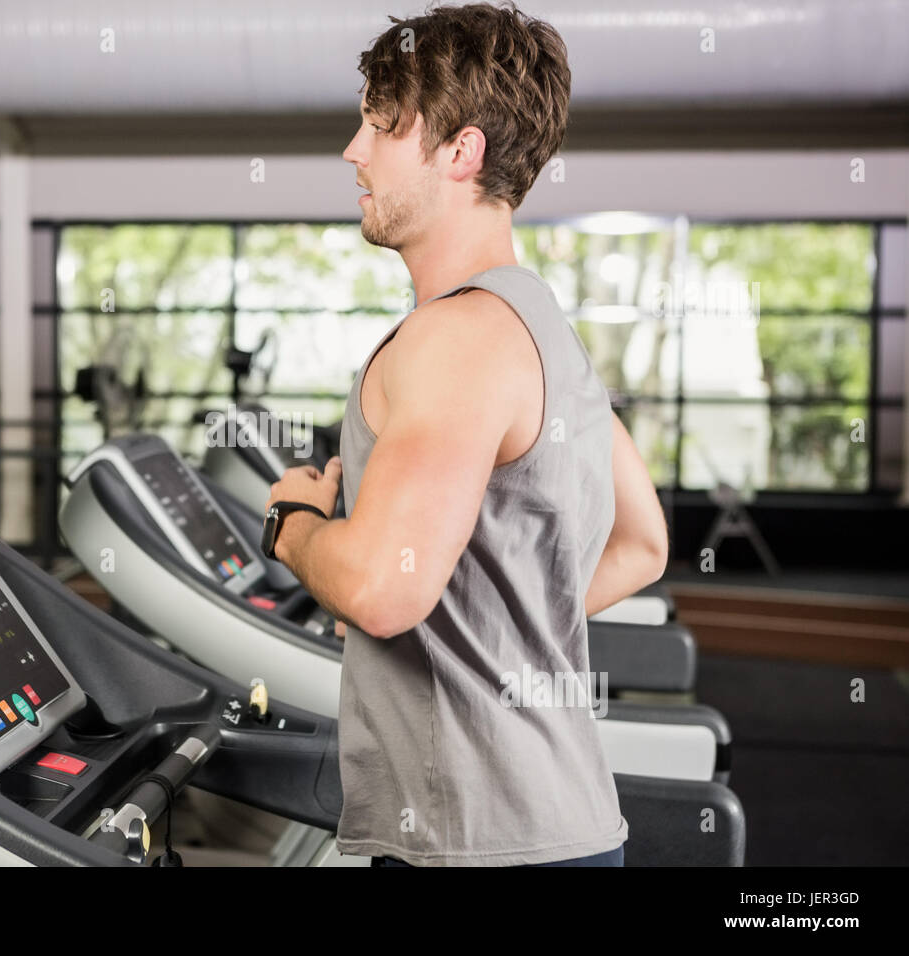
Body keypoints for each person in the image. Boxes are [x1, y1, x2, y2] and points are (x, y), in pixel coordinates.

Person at [263, 2, 669, 867]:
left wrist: (295, 525)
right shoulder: (542, 327)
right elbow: (642, 544)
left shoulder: (454, 337)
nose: (353, 151)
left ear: (462, 150)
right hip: (566, 827)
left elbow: (377, 588)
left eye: (380, 127)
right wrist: (473, 630)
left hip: (472, 844)